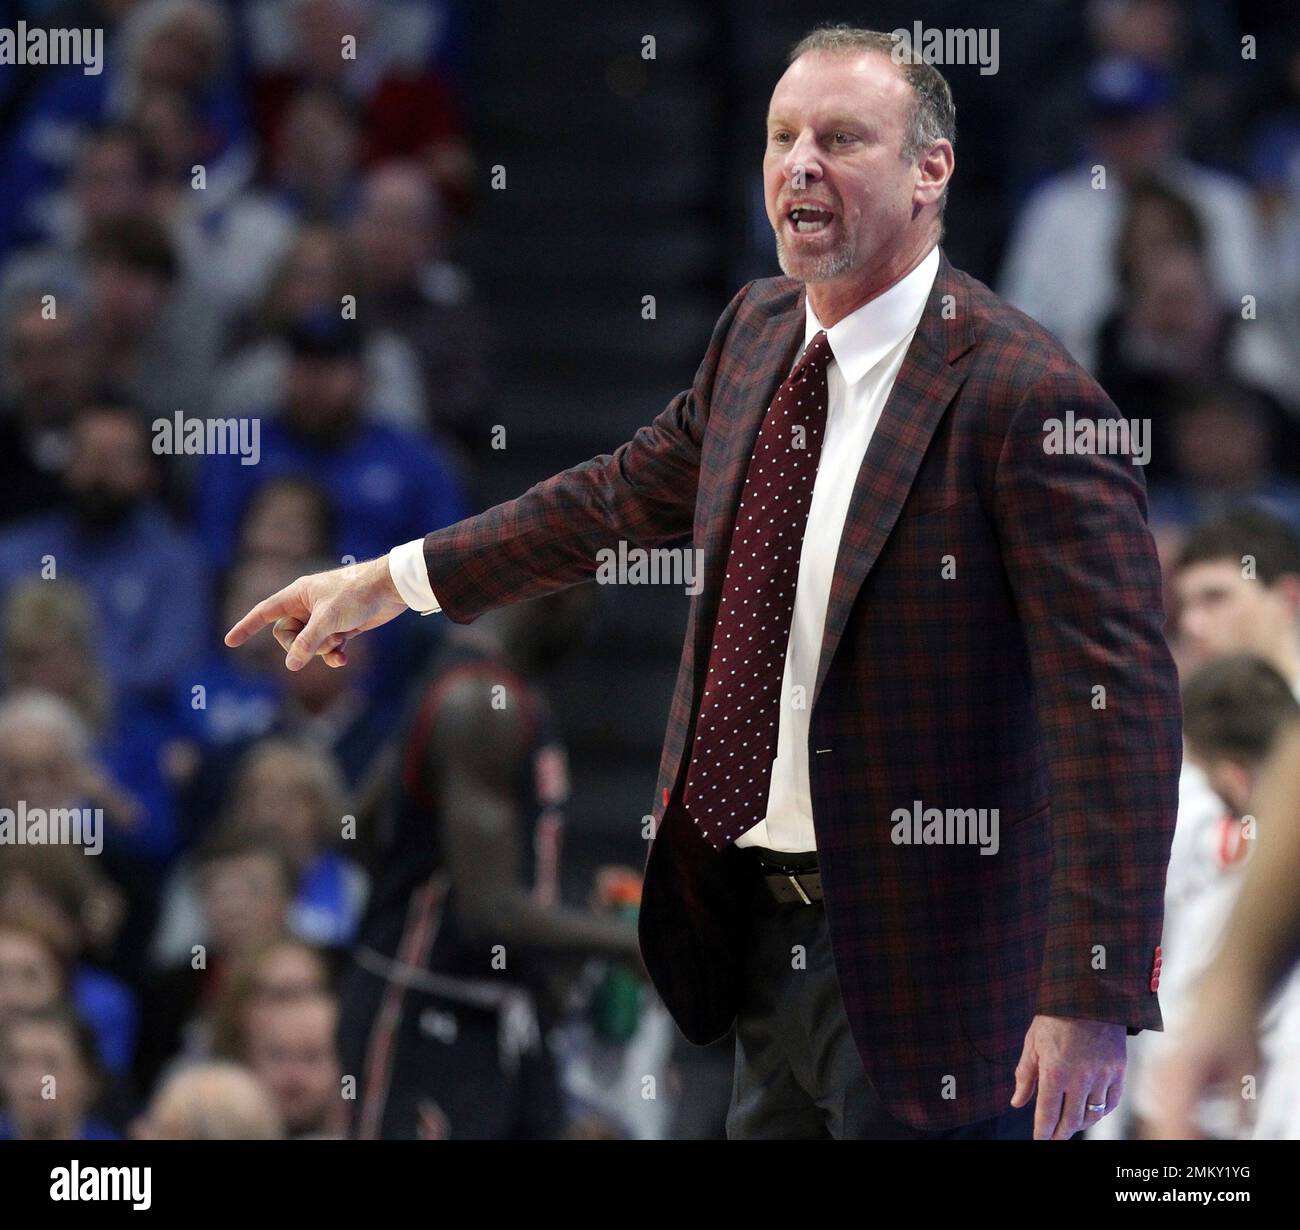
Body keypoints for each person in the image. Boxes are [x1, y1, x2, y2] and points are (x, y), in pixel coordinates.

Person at [227, 25, 1182, 1141]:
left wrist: (1090, 992)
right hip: (756, 934)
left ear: (933, 171)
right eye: (781, 137)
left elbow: (1117, 710)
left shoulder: (1027, 398)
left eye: (840, 138)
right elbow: (613, 498)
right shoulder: (756, 331)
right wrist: (395, 579)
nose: (798, 164)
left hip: (942, 962)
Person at [335, 587, 643, 1140]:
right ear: (558, 594)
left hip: (499, 1015)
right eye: (590, 603)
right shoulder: (481, 702)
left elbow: (361, 823)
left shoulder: (468, 677)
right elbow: (490, 911)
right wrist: (632, 943)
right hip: (426, 1015)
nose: (590, 629)